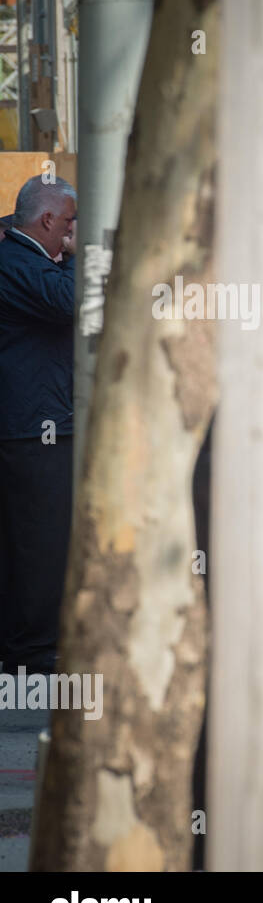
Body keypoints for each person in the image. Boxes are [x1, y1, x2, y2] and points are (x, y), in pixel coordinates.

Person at [0, 176, 77, 675]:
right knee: (39, 543)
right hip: (33, 428)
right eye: (69, 223)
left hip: (37, 423)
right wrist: (82, 255)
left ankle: (29, 648)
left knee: (37, 540)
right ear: (46, 220)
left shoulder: (21, 256)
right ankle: (32, 655)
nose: (73, 233)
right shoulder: (15, 261)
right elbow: (72, 302)